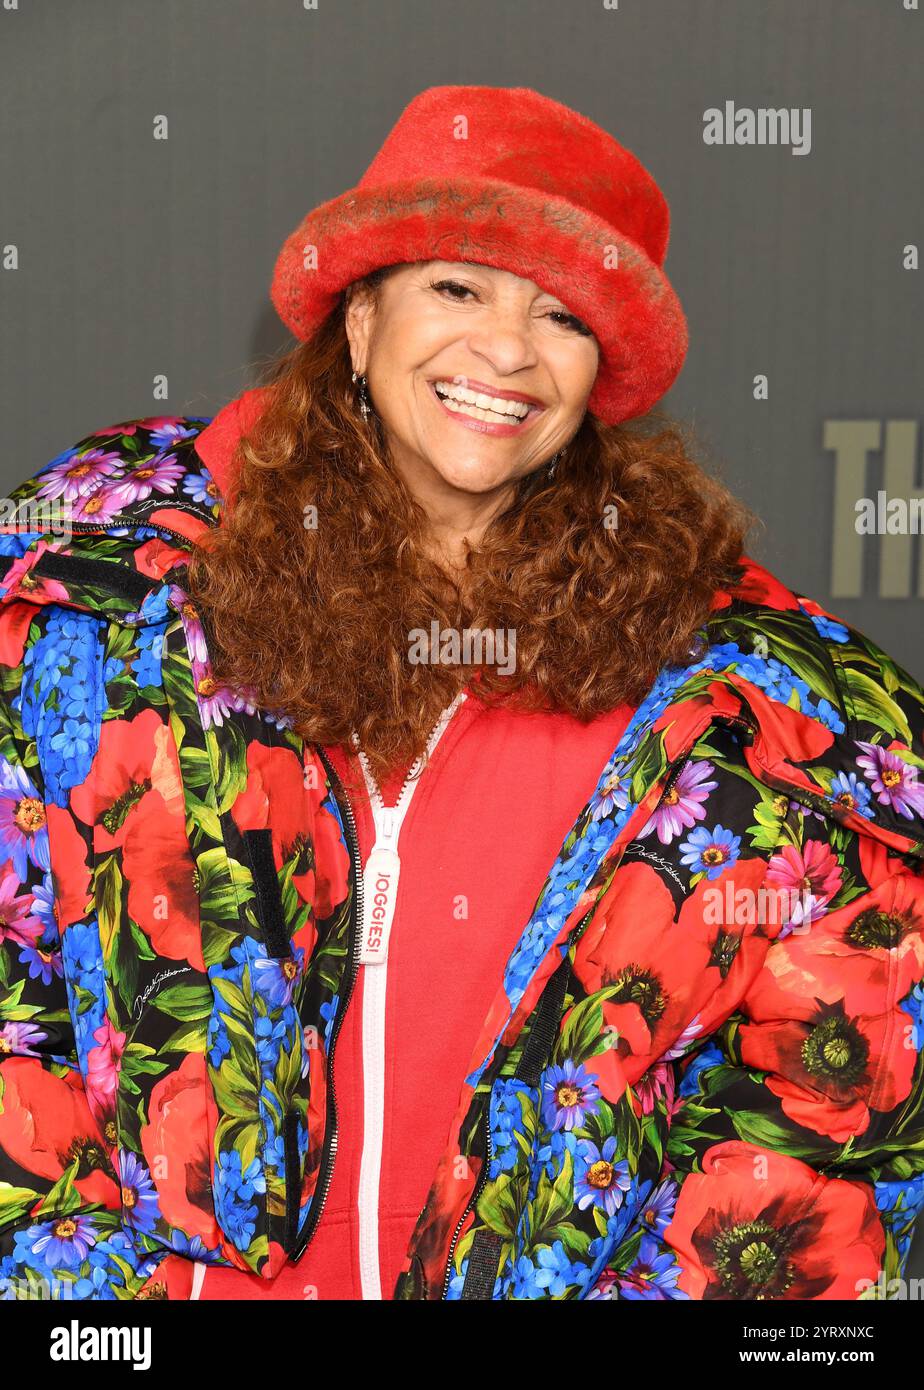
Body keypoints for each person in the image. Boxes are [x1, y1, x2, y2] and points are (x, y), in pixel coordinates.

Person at [1, 84, 923, 1304]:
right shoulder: (111, 600)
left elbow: (831, 1085)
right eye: (458, 288)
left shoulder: (743, 699)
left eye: (561, 316)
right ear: (361, 311)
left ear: (604, 373)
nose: (505, 351)